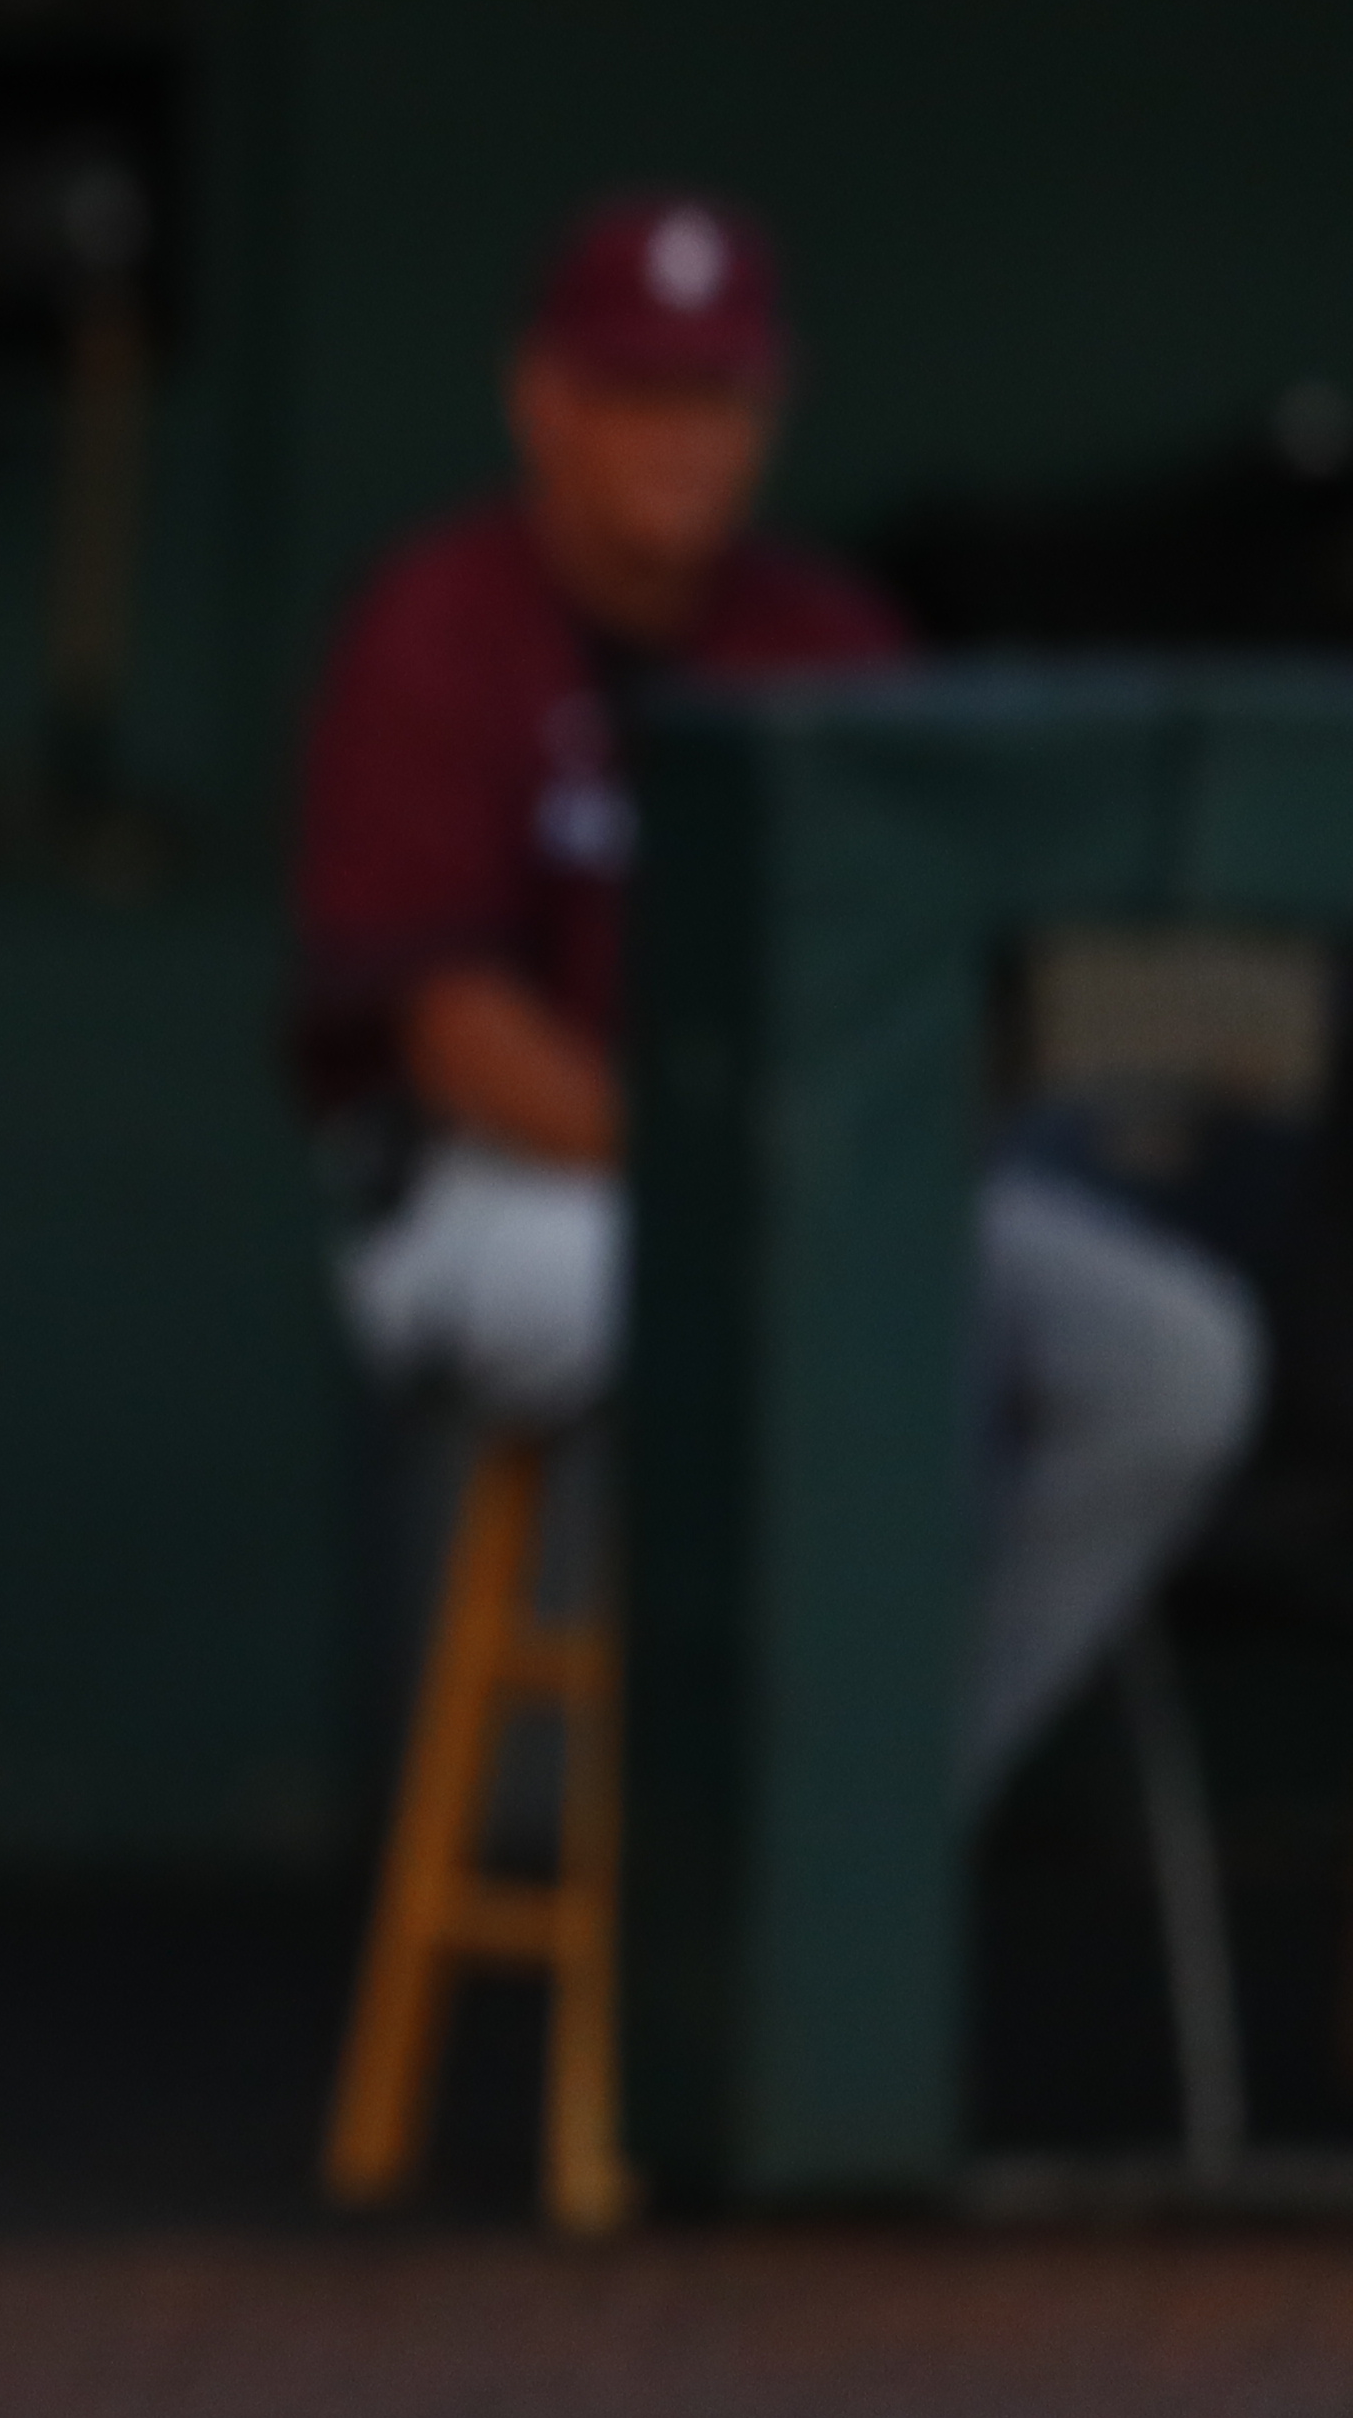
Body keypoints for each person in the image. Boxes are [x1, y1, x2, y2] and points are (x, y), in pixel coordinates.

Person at [296, 193, 1259, 1793]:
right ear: (545, 400)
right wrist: (761, 1177)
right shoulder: (442, 621)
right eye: (639, 396)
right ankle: (734, 1843)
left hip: (816, 1193)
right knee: (803, 1321)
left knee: (1169, 1361)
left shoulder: (821, 636)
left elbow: (949, 973)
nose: (682, 441)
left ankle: (864, 1815)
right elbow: (460, 1039)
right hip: (506, 1195)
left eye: (717, 400)